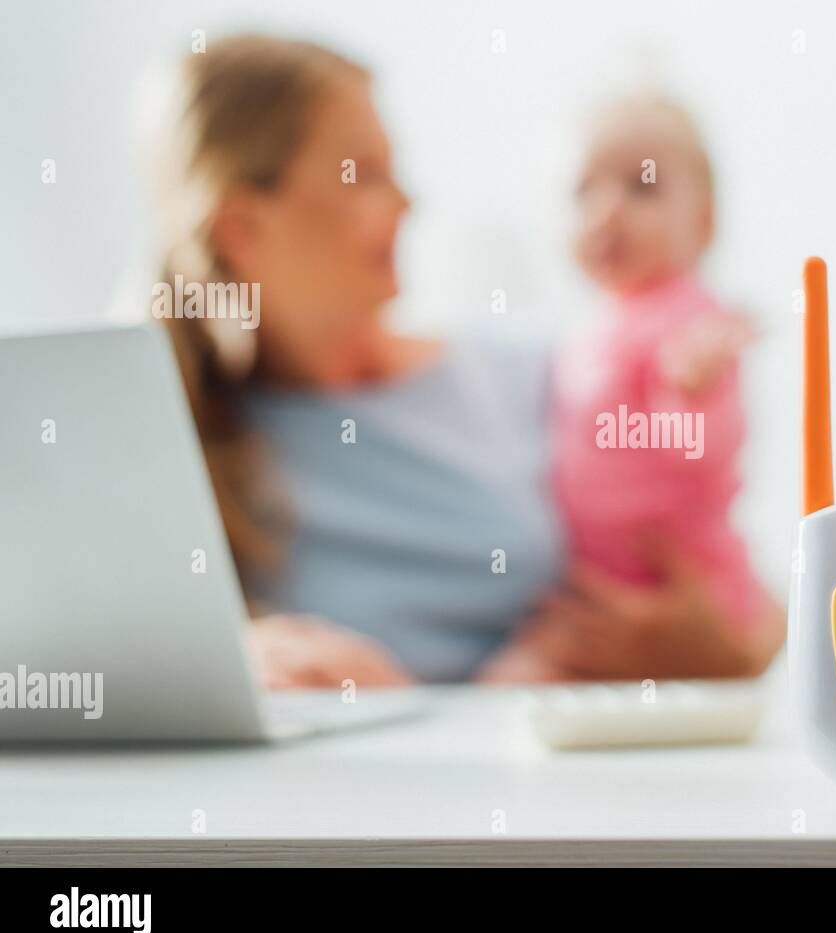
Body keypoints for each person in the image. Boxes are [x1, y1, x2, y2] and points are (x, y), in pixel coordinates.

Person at [143, 34, 785, 687]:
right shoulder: (192, 445)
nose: (408, 202)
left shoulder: (546, 373)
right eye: (363, 174)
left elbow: (748, 597)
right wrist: (241, 658)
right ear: (242, 229)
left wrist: (719, 653)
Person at [479, 95, 762, 681]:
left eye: (643, 187)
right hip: (596, 589)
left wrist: (691, 394)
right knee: (510, 683)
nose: (609, 210)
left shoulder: (687, 321)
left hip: (682, 589)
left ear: (703, 223)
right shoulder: (578, 331)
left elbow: (706, 450)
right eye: (585, 191)